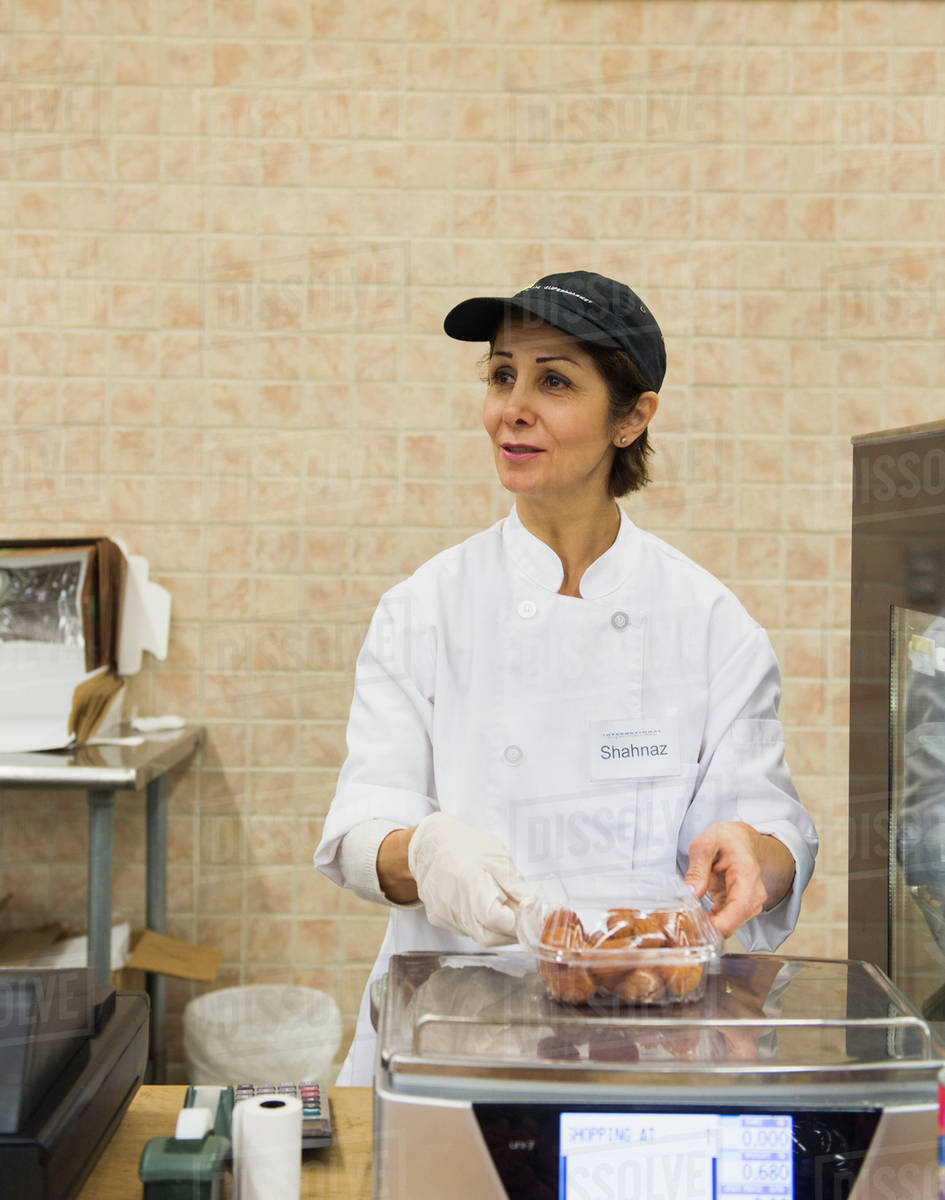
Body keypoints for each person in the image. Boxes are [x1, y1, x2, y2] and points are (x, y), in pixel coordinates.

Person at [314, 271, 819, 1084]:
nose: (511, 408)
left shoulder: (708, 622)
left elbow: (767, 829)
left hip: (647, 1034)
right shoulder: (425, 609)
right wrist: (426, 852)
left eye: (553, 381)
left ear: (631, 417)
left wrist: (757, 853)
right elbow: (359, 829)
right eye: (501, 375)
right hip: (453, 1029)